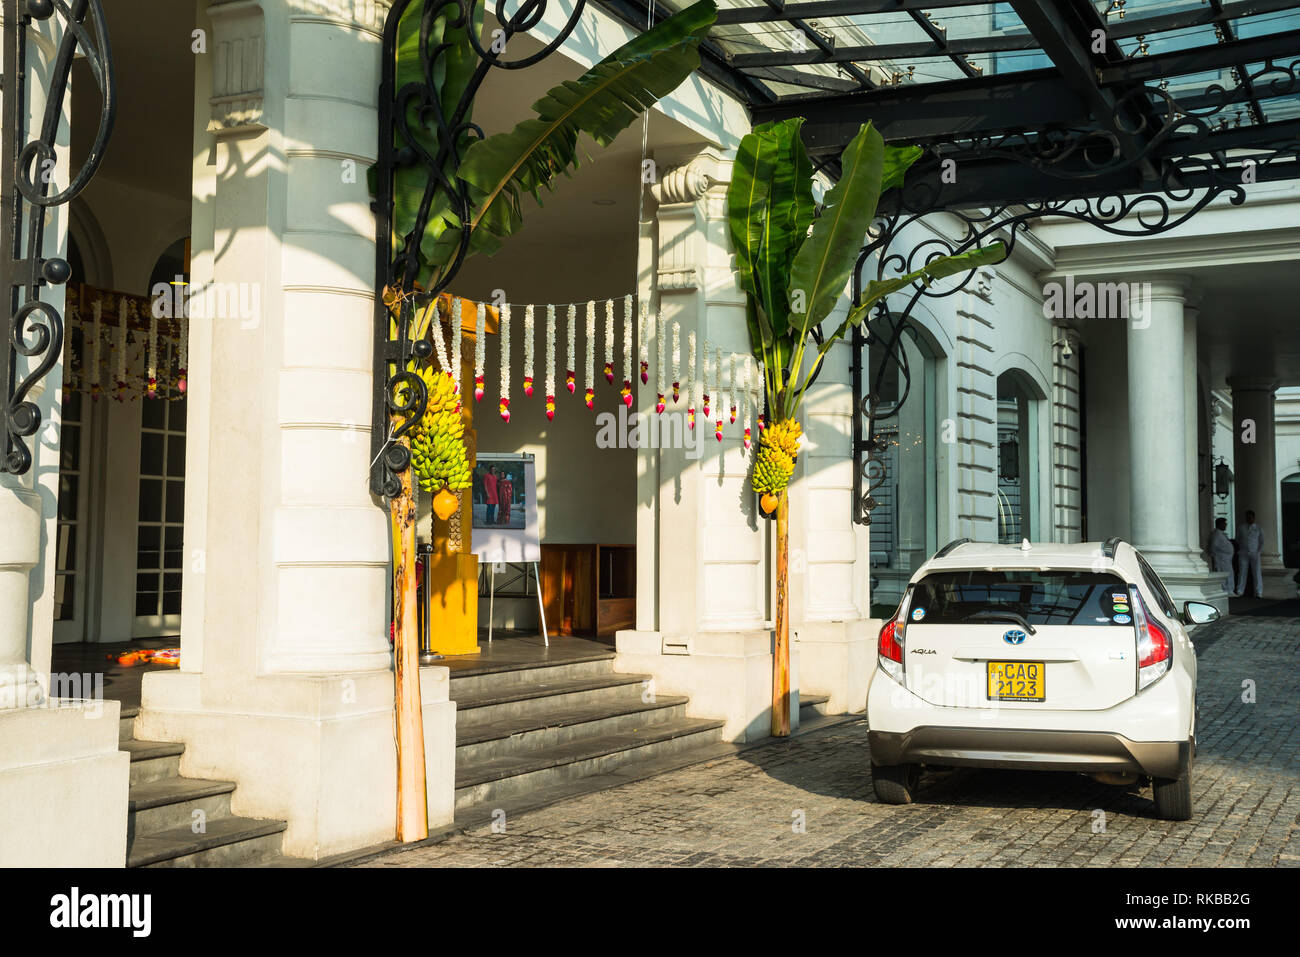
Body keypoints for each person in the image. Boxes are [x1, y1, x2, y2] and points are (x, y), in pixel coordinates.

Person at [1234, 509, 1264, 598]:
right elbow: (1237, 539)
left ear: (1254, 518)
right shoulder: (1241, 527)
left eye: (1250, 517)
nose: (1249, 519)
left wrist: (1258, 552)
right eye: (1247, 517)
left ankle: (1258, 592)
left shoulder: (1258, 528)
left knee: (1257, 572)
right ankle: (1240, 591)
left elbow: (1261, 541)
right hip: (1243, 552)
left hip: (1255, 552)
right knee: (1242, 572)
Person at [1206, 517, 1235, 594]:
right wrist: (1216, 557)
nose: (1226, 525)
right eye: (1224, 524)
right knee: (1225, 574)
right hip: (1221, 558)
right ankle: (1226, 589)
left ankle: (1229, 589)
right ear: (1220, 524)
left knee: (1229, 574)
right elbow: (1213, 547)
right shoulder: (1216, 535)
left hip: (1226, 558)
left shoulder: (1221, 534)